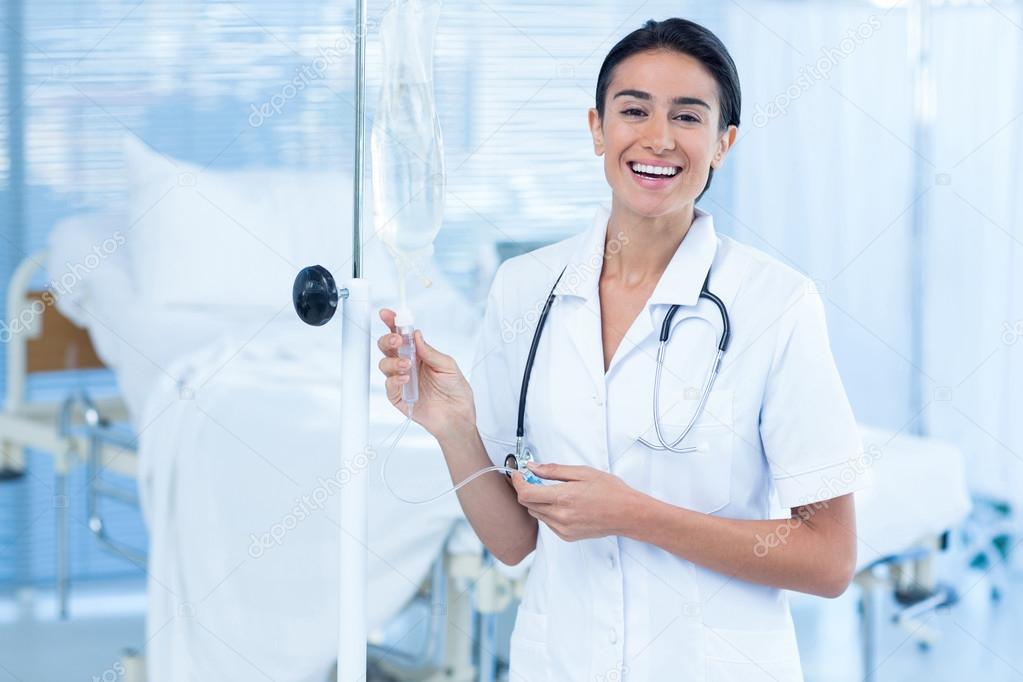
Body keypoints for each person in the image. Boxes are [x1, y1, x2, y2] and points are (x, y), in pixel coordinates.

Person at [376, 17, 870, 682]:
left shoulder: (775, 304)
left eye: (687, 117)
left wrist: (634, 515)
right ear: (596, 128)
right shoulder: (524, 290)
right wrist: (453, 428)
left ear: (723, 143)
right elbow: (512, 542)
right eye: (633, 110)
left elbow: (828, 559)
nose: (657, 138)